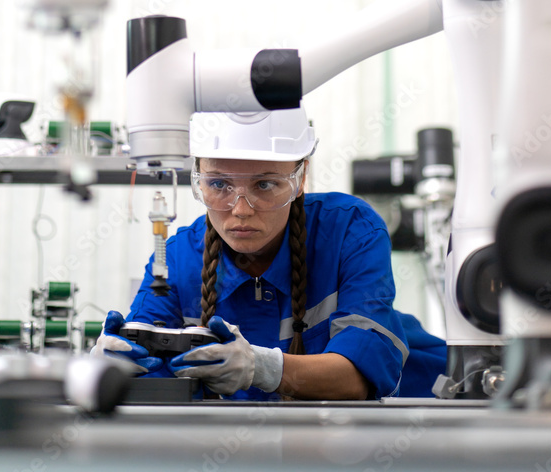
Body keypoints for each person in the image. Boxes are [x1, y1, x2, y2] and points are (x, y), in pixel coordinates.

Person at [93, 107, 446, 400]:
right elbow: (146, 373)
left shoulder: (350, 232)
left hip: (424, 415)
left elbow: (360, 376)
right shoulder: (178, 259)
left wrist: (262, 368)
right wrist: (116, 365)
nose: (241, 210)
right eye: (219, 184)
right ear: (198, 180)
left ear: (300, 179)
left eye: (264, 184)